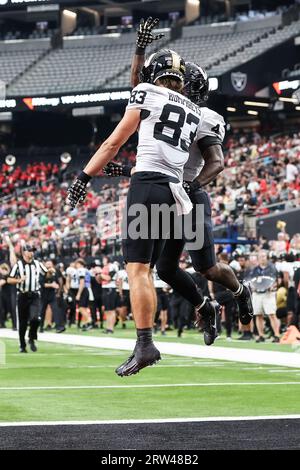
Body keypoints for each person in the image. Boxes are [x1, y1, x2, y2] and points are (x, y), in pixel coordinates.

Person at [105, 28, 253, 339]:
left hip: (189, 195)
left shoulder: (202, 115)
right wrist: (126, 171)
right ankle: (204, 306)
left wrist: (194, 186)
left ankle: (240, 291)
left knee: (207, 268)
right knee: (165, 268)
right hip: (168, 191)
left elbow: (216, 161)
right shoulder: (164, 104)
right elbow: (139, 90)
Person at [67, 47, 206, 376]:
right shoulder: (192, 108)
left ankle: (145, 343)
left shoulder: (147, 92)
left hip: (149, 187)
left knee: (138, 269)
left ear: (152, 73)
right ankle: (150, 339)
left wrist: (84, 176)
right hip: (175, 192)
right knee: (150, 269)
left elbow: (114, 142)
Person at [7, 244, 48, 353]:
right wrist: (19, 280)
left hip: (34, 294)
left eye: (32, 251)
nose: (32, 253)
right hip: (22, 295)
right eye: (29, 250)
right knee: (23, 322)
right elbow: (9, 279)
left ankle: (31, 338)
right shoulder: (18, 265)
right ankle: (22, 345)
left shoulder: (37, 264)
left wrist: (51, 271)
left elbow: (46, 273)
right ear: (24, 252)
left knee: (35, 318)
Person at [251, 251, 280, 343]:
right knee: (258, 315)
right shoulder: (255, 269)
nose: (262, 258)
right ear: (258, 258)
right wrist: (252, 287)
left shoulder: (272, 268)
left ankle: (277, 335)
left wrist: (273, 286)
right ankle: (261, 335)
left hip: (268, 293)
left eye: (264, 256)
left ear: (267, 257)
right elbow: (250, 280)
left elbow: (277, 280)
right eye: (260, 256)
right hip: (257, 293)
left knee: (272, 314)